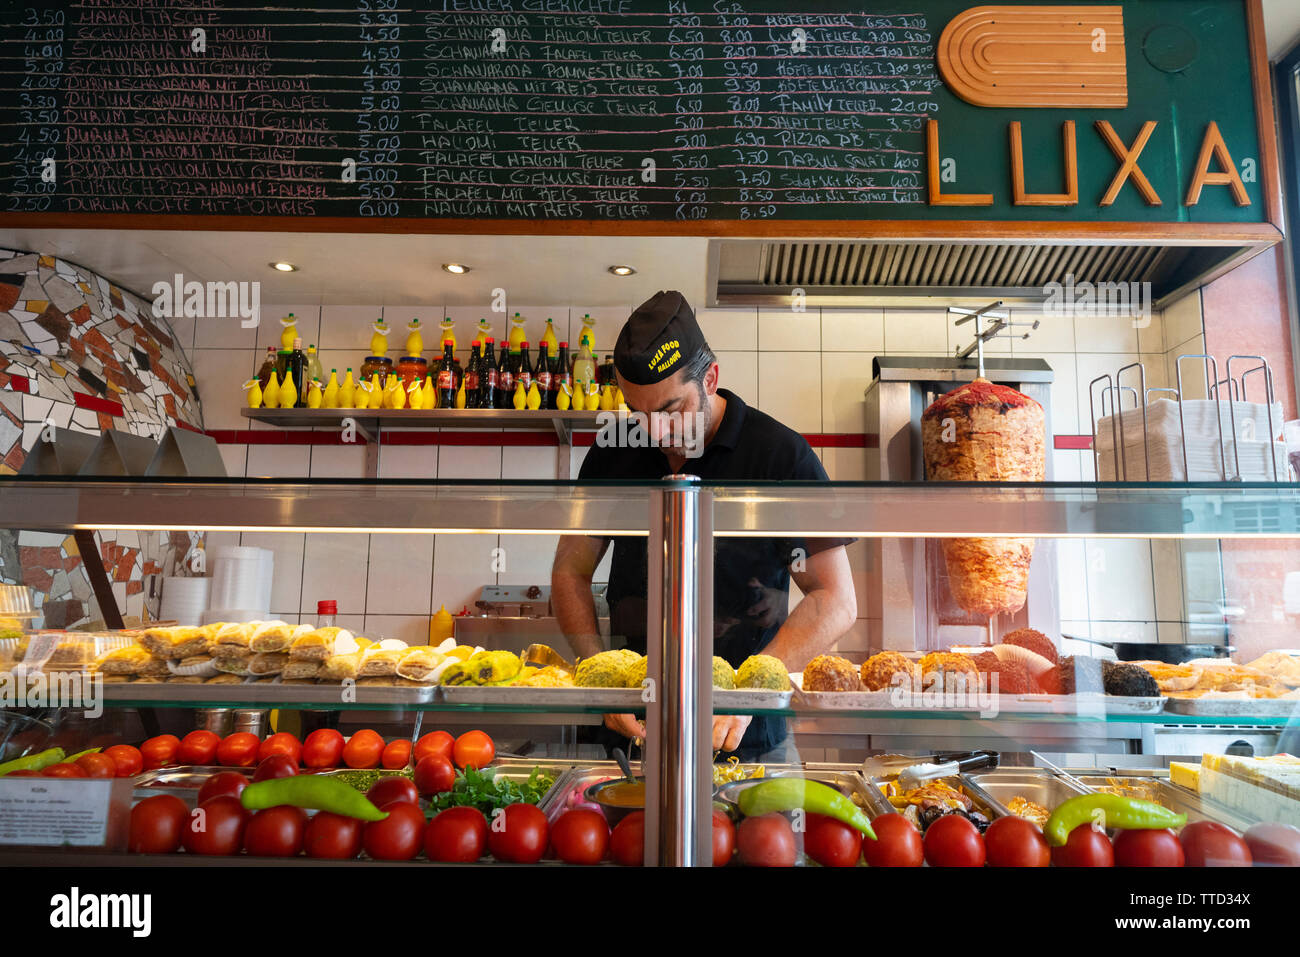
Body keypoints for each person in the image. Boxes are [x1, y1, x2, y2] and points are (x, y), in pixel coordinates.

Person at [551, 290, 857, 760]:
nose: (653, 433)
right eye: (638, 413)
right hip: (633, 739)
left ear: (710, 378)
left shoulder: (780, 454)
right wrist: (600, 676)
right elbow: (570, 572)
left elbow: (835, 599)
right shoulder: (612, 452)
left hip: (747, 738)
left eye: (670, 411)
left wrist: (751, 695)